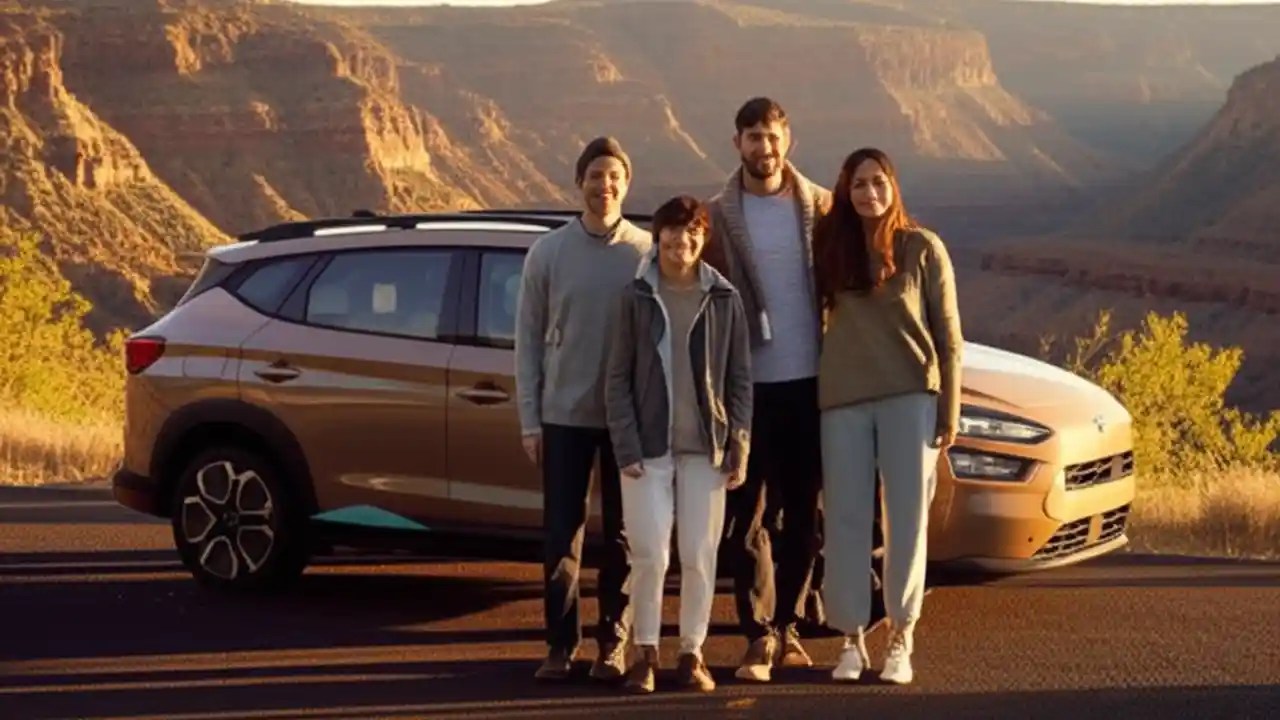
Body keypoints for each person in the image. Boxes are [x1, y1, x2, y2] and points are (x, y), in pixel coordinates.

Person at [811, 147, 963, 685]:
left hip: (910, 398)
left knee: (907, 522)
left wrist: (950, 410)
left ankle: (901, 636)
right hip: (844, 401)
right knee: (847, 522)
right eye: (858, 184)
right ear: (845, 191)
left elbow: (949, 337)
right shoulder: (829, 246)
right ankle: (851, 639)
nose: (869, 193)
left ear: (893, 186)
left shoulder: (922, 248)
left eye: (878, 182)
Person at [702, 96, 831, 682]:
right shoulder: (715, 219)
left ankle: (790, 627)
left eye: (772, 136)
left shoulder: (823, 208)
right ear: (738, 144)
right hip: (745, 389)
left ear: (789, 140)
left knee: (804, 512)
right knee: (745, 518)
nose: (764, 147)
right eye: (753, 137)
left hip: (809, 381)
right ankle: (756, 634)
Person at [515, 136, 653, 682]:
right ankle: (559, 644)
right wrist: (531, 418)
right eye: (595, 175)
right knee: (561, 535)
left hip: (627, 422)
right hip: (564, 415)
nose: (605, 185)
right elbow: (527, 340)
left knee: (623, 538)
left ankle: (612, 642)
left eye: (614, 175)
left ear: (627, 182)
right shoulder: (547, 254)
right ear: (580, 183)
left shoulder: (645, 252)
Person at [604, 195, 753, 694]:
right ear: (658, 235)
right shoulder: (635, 296)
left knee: (698, 554)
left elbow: (739, 380)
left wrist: (740, 443)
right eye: (671, 230)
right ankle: (645, 653)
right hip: (647, 448)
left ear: (702, 237)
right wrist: (625, 446)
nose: (680, 241)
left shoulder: (724, 298)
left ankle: (692, 653)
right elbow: (617, 378)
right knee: (650, 555)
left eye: (691, 231)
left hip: (705, 449)